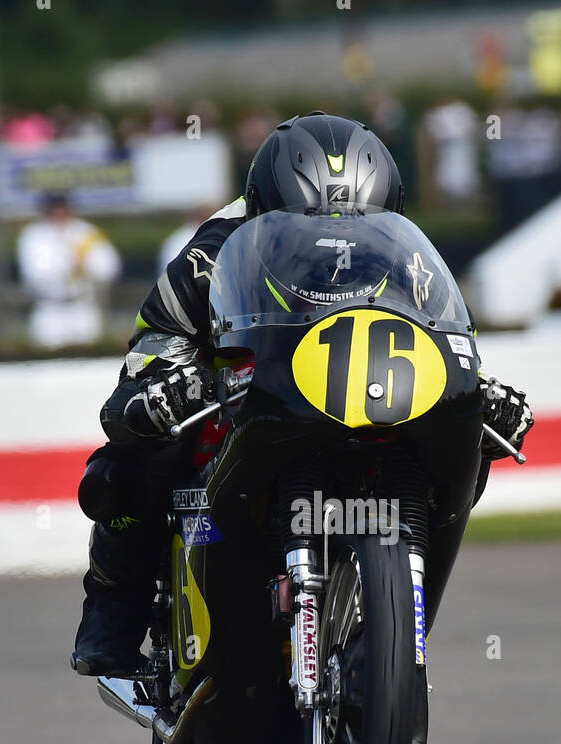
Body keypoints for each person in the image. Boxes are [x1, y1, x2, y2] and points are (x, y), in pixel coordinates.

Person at [70, 112, 533, 677]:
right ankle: (112, 611)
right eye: (311, 222)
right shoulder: (210, 252)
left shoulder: (410, 257)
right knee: (130, 463)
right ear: (263, 208)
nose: (336, 236)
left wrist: (480, 395)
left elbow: (450, 343)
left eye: (359, 221)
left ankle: (389, 614)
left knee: (469, 441)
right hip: (254, 405)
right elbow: (150, 352)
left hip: (367, 405)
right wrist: (170, 385)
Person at [16, 192, 122, 350]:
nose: (59, 213)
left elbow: (109, 268)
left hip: (83, 305)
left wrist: (86, 268)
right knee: (47, 362)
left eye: (63, 208)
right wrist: (69, 267)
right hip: (50, 308)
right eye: (53, 209)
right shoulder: (34, 236)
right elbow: (35, 274)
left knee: (89, 358)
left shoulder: (87, 232)